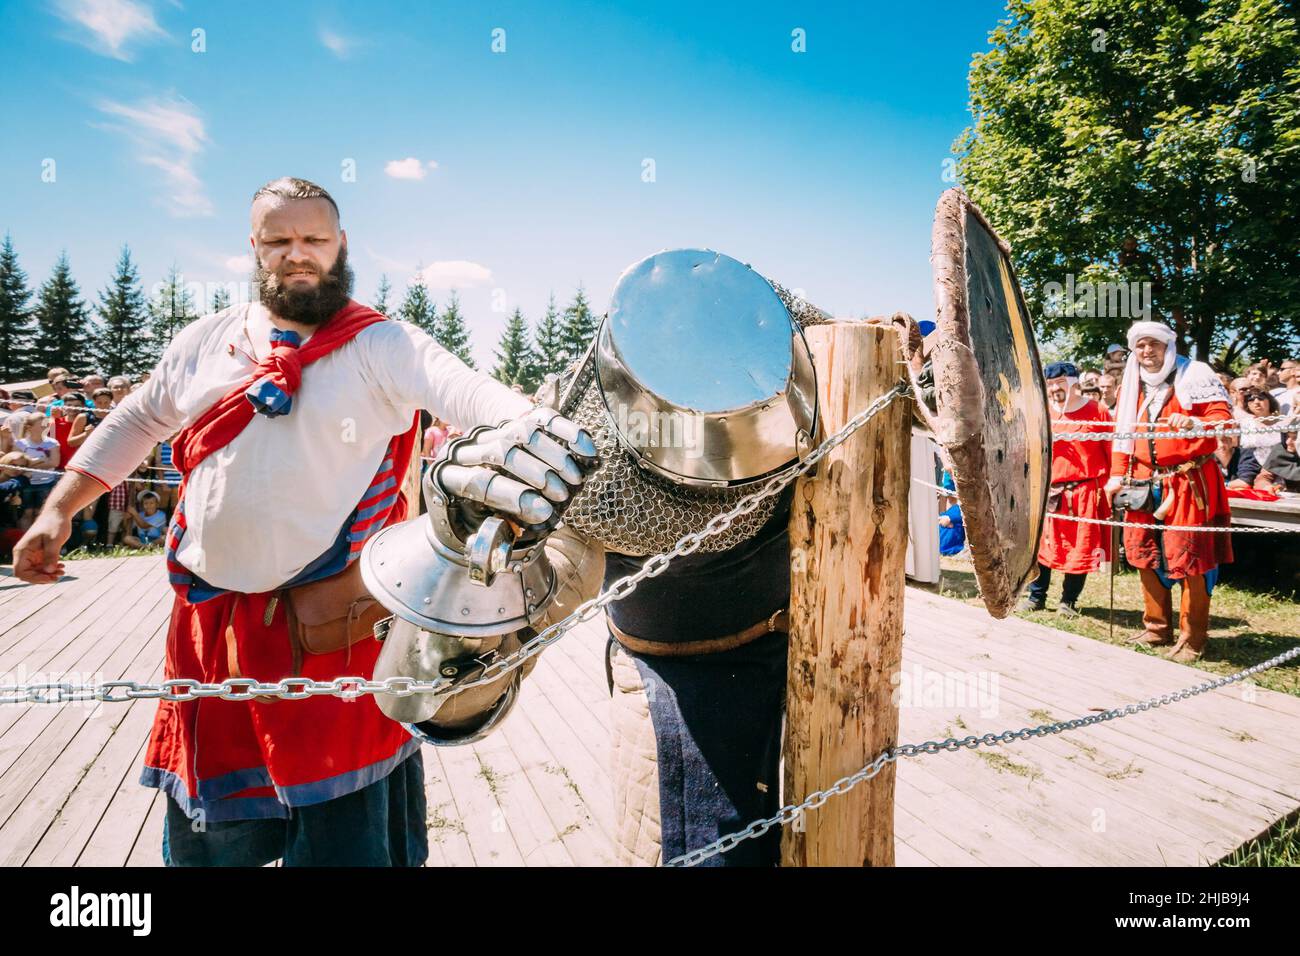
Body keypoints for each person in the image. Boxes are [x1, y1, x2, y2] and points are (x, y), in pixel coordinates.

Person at [12, 176, 579, 867]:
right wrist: (59, 510)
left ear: (340, 245)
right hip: (210, 634)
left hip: (330, 636)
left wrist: (537, 428)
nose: (297, 254)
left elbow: (472, 394)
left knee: (344, 844)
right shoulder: (207, 341)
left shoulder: (384, 347)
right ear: (254, 248)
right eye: (279, 240)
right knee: (214, 845)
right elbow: (138, 419)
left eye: (313, 239)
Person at [1104, 322, 1233, 663]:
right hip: (1143, 481)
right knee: (1142, 550)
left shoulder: (1196, 375)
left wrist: (1197, 423)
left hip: (1189, 481)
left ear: (1167, 346)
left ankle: (1193, 638)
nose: (1148, 352)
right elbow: (1124, 437)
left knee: (1192, 557)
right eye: (1141, 345)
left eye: (1154, 345)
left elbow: (1223, 418)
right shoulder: (1133, 385)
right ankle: (1157, 627)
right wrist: (1117, 475)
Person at [1021, 362, 1111, 617]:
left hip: (1083, 492)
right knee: (1043, 546)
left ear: (1073, 382)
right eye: (1049, 385)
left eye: (1059, 383)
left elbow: (1111, 452)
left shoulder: (1098, 411)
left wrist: (1109, 487)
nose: (1054, 389)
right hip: (1050, 491)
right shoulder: (1043, 412)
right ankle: (1036, 596)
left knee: (1080, 547)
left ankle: (1068, 601)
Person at [13, 412, 60, 529]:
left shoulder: (52, 443)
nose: (45, 427)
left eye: (46, 425)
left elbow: (54, 462)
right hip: (26, 483)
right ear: (30, 427)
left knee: (40, 513)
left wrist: (30, 464)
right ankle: (24, 540)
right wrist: (41, 462)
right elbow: (15, 463)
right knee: (27, 513)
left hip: (46, 483)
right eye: (41, 425)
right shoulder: (20, 443)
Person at [1236, 388, 1282, 465]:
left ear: (1269, 401)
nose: (1256, 402)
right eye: (1251, 399)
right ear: (1247, 405)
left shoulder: (1282, 422)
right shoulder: (1246, 423)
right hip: (1255, 467)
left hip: (1281, 466)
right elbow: (1246, 451)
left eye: (1261, 398)